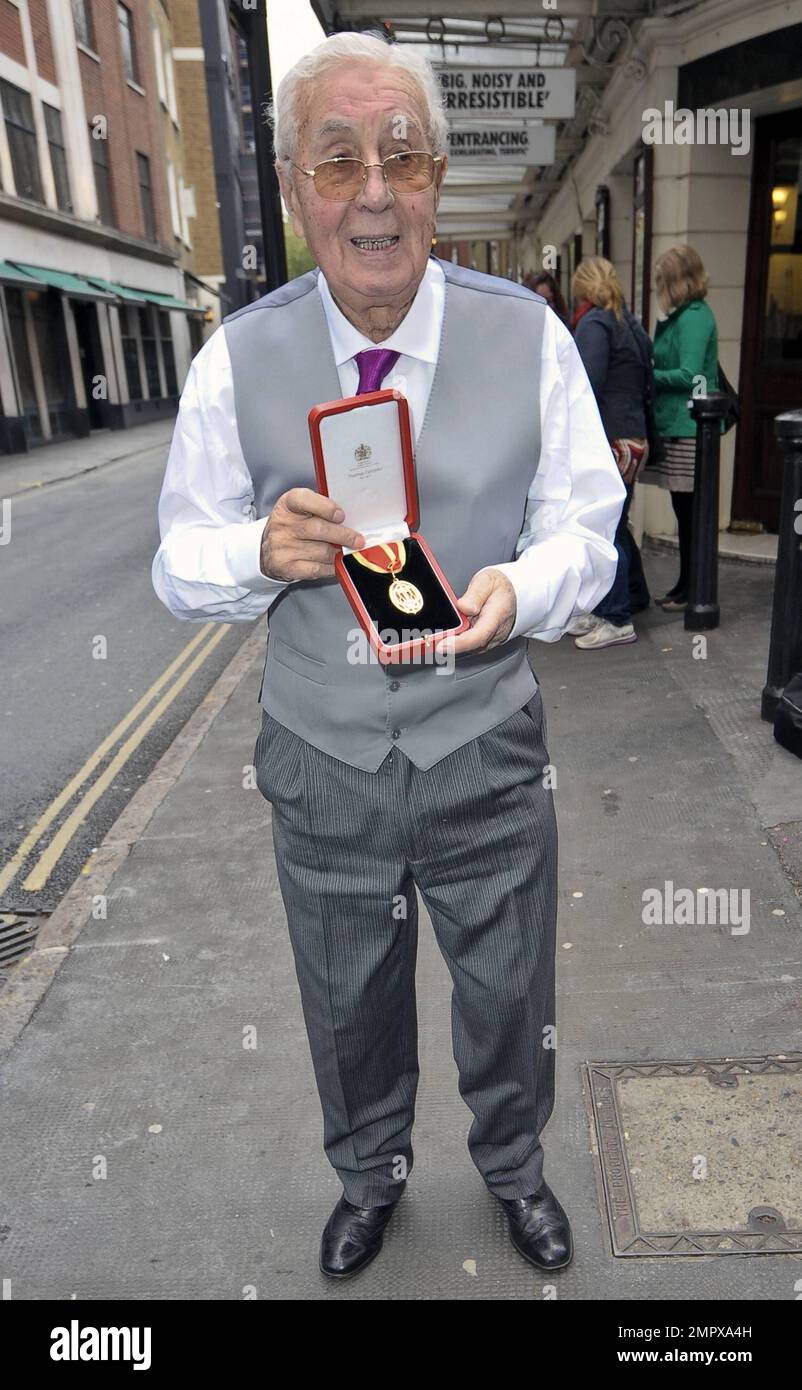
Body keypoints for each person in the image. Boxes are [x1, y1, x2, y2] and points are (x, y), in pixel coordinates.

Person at [152, 31, 625, 1281]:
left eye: (402, 157)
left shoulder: (526, 337)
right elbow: (176, 562)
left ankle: (514, 1173)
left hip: (483, 740)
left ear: (437, 179)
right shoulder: (231, 362)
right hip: (321, 756)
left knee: (509, 988)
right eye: (340, 159)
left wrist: (518, 588)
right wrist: (260, 550)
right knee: (347, 995)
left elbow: (588, 527)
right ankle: (370, 1176)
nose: (373, 189)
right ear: (298, 185)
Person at [567, 257, 652, 649]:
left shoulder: (594, 323)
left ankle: (616, 618)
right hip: (634, 437)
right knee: (618, 521)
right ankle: (631, 597)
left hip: (610, 439)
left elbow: (585, 385)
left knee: (606, 526)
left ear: (581, 287)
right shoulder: (628, 322)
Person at [639, 244, 719, 611]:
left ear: (677, 281)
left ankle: (692, 592)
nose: (659, 288)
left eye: (662, 281)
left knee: (690, 517)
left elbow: (691, 375)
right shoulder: (684, 315)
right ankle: (685, 588)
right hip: (679, 425)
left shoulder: (695, 316)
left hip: (689, 427)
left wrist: (648, 375)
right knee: (684, 513)